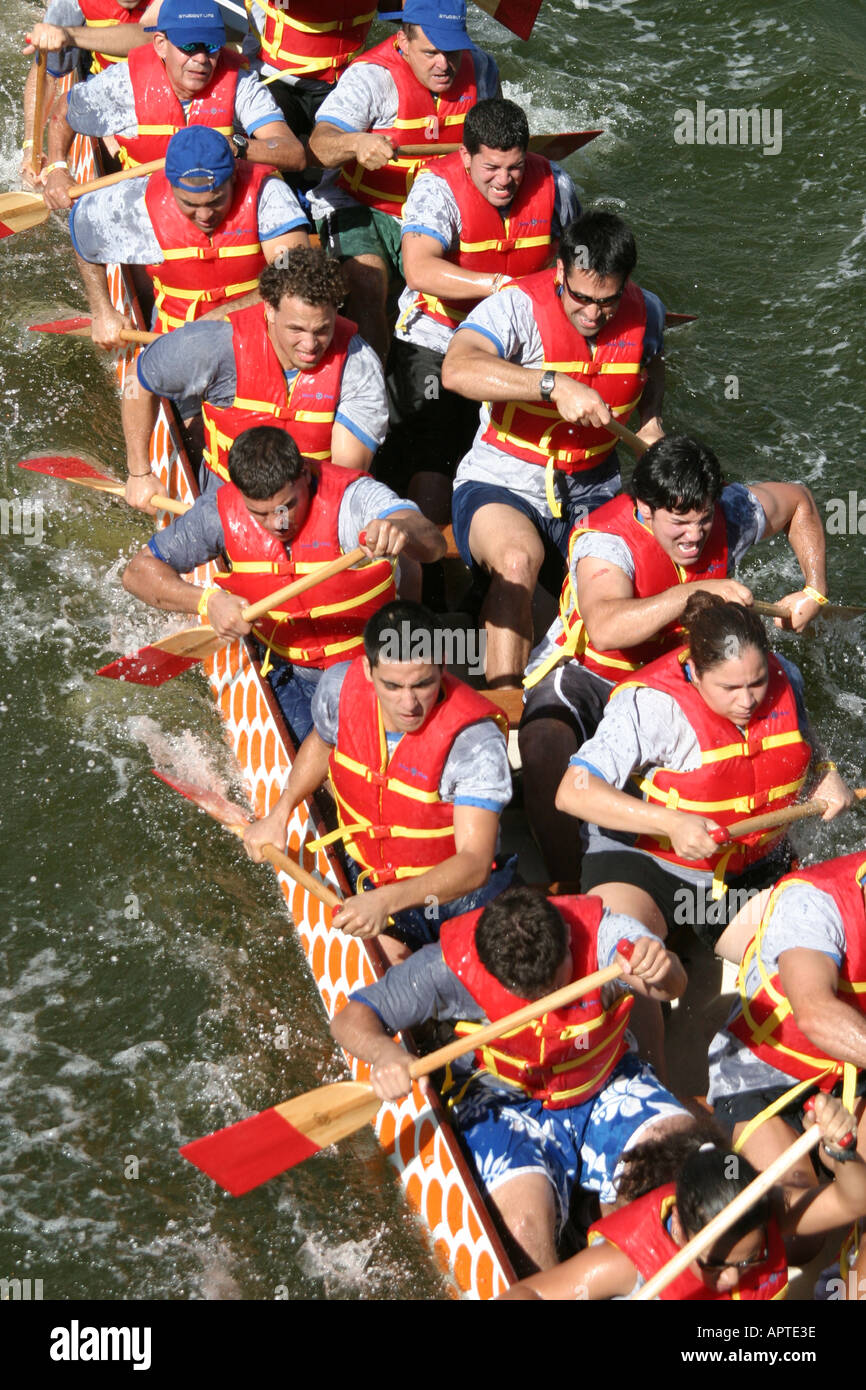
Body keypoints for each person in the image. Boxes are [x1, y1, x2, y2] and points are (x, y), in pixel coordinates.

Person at [330, 884, 691, 1270]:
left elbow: (673, 984)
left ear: (568, 938)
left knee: (670, 1164)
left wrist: (661, 969)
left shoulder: (604, 934)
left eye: (556, 980)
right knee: (521, 1226)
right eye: (526, 992)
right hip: (506, 1099)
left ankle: (609, 1234)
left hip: (604, 1080)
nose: (546, 998)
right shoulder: (449, 966)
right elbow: (351, 1020)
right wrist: (386, 1054)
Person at [520, 435, 831, 882]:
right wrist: (693, 593)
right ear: (645, 509)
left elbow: (799, 502)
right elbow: (606, 629)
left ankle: (756, 863)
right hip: (591, 674)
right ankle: (567, 882)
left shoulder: (732, 510)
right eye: (679, 523)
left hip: (680, 674)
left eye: (703, 520)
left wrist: (813, 590)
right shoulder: (606, 543)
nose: (695, 536)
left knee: (761, 708)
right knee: (543, 746)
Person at [441, 211, 666, 686]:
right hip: (503, 478)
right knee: (518, 561)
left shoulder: (649, 313)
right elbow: (457, 369)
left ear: (625, 286)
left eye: (605, 303)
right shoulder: (515, 307)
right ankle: (505, 708)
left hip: (593, 484)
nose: (591, 313)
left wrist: (654, 435)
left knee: (635, 585)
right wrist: (551, 384)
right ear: (560, 271)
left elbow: (651, 380)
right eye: (580, 297)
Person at [555, 593, 853, 952]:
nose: (747, 701)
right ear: (695, 672)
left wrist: (825, 771)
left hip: (745, 876)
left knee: (815, 955)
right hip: (646, 866)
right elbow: (573, 790)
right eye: (729, 688)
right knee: (628, 965)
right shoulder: (654, 706)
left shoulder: (783, 674)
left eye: (756, 683)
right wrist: (671, 823)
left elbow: (802, 736)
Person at [122, 427, 445, 742]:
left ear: (304, 472)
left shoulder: (353, 499)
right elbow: (137, 573)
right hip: (286, 670)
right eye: (260, 513)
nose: (279, 524)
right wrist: (207, 602)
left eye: (287, 506)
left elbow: (433, 545)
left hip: (371, 669)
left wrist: (399, 529)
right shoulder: (218, 511)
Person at [244, 600, 515, 958]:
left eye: (422, 684)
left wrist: (383, 902)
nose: (409, 704)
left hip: (462, 896)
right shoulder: (339, 686)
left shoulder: (475, 742)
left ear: (442, 666)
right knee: (385, 965)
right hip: (377, 879)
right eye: (392, 686)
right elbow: (323, 743)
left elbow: (475, 862)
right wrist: (279, 814)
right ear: (368, 671)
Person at [374, 96, 580, 526]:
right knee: (434, 451)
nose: (505, 181)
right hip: (436, 337)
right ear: (465, 156)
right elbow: (418, 268)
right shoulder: (437, 186)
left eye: (515, 167)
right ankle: (428, 562)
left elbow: (574, 261)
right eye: (491, 168)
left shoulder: (556, 184)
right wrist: (498, 287)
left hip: (516, 343)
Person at [499, 1097, 865, 1299]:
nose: (730, 1281)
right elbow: (527, 1294)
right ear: (677, 1230)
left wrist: (844, 1149)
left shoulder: (760, 1207)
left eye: (751, 1260)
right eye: (714, 1264)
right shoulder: (626, 1262)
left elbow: (854, 1200)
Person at [122, 249, 388, 511]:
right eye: (296, 329)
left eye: (322, 330)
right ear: (270, 309)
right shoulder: (214, 345)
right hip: (223, 503)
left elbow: (341, 478)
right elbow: (136, 379)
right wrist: (139, 474)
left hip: (309, 507)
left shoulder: (359, 366)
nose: (309, 345)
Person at [307, 1, 500, 359]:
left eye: (453, 51)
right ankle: (371, 394)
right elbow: (319, 145)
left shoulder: (484, 68)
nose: (444, 64)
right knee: (368, 282)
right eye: (430, 52)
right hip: (364, 207)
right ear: (403, 41)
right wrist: (356, 142)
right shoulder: (371, 76)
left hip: (441, 212)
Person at [707, 848, 866, 1258]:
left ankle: (852, 1281)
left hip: (849, 1074)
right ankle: (702, 1130)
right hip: (763, 1072)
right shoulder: (815, 898)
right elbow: (815, 1015)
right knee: (799, 1239)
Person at [40, 0, 306, 212]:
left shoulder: (241, 84)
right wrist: (57, 169)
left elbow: (293, 153)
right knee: (84, 219)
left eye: (211, 46)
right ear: (161, 45)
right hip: (147, 205)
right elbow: (63, 111)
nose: (201, 59)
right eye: (189, 46)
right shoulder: (126, 84)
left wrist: (236, 146)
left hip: (218, 204)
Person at [68, 125, 310, 349]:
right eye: (190, 204)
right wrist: (102, 311)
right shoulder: (136, 201)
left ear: (234, 177)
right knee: (140, 384)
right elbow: (83, 237)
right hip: (175, 336)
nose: (205, 216)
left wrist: (228, 314)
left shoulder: (268, 194)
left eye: (216, 201)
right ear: (171, 186)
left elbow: (294, 274)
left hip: (259, 332)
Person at [22, 0, 152, 187]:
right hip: (106, 87)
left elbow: (148, 34)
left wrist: (69, 35)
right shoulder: (70, 4)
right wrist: (31, 146)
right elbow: (46, 75)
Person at [243, 2, 378, 142]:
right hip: (273, 76)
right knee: (276, 152)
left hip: (342, 81)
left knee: (343, 151)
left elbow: (394, 8)